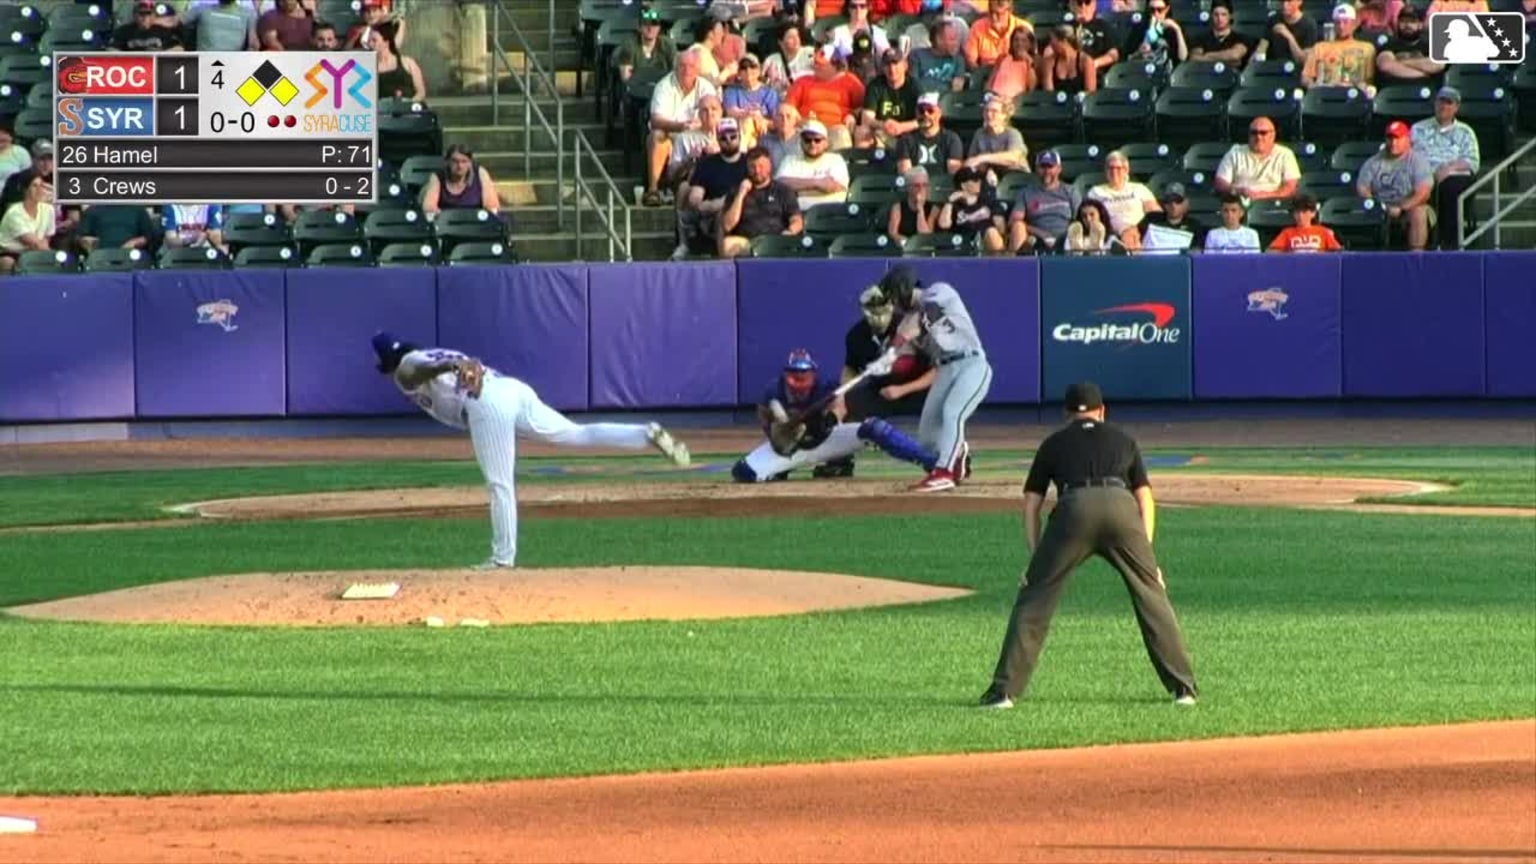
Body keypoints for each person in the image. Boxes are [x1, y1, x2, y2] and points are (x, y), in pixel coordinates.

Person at [371, 333, 691, 570]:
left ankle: (502, 560)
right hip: (512, 390)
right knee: (575, 434)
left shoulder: (405, 366)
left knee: (500, 484)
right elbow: (433, 365)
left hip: (485, 403)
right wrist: (453, 362)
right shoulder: (428, 352)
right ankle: (646, 433)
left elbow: (416, 370)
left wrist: (451, 364)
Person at [978, 380, 1199, 710]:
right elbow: (1145, 498)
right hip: (1121, 508)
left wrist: (1037, 559)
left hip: (1075, 510)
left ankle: (1003, 693)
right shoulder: (1123, 439)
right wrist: (1147, 558)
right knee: (1151, 595)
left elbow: (1031, 504)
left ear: (1067, 415)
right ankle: (1184, 690)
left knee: (1036, 598)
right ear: (1102, 412)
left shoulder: (1054, 443)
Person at [865, 265, 989, 492]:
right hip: (945, 369)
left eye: (893, 295)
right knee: (927, 438)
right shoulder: (905, 323)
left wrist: (898, 342)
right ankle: (958, 454)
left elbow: (926, 314)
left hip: (971, 363)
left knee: (953, 413)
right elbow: (901, 353)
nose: (893, 302)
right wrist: (884, 362)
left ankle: (945, 473)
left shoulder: (939, 290)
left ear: (903, 288)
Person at [730, 349, 937, 482]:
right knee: (744, 472)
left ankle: (931, 462)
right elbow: (764, 416)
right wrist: (776, 437)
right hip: (791, 449)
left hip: (826, 439)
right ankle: (781, 469)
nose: (799, 382)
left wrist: (829, 420)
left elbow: (840, 407)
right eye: (794, 377)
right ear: (786, 376)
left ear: (813, 375)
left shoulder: (825, 388)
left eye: (804, 376)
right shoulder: (773, 392)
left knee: (875, 429)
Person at [644, 47, 719, 207]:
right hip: (671, 133)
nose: (686, 70)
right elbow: (656, 119)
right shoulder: (664, 86)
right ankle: (653, 189)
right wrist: (680, 126)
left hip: (699, 133)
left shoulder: (706, 87)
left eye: (691, 66)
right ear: (675, 67)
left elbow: (716, 112)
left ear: (697, 69)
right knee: (656, 136)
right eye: (682, 66)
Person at [1410, 87, 1480, 251]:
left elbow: (1473, 162)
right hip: (1423, 177)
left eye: (1448, 103)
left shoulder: (1465, 132)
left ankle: (1449, 244)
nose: (1443, 106)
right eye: (1440, 101)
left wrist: (1448, 169)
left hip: (1455, 176)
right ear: (1435, 104)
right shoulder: (1418, 129)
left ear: (1456, 107)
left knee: (1451, 187)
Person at [674, 117, 750, 259]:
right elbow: (696, 196)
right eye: (723, 137)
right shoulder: (707, 163)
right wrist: (699, 202)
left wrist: (723, 203)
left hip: (743, 208)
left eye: (733, 136)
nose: (728, 140)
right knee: (686, 191)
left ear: (740, 136)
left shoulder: (750, 161)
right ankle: (683, 245)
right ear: (717, 138)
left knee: (722, 213)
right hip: (710, 212)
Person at [1357, 120, 1433, 250]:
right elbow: (1362, 188)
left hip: (1409, 206)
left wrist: (1402, 208)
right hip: (1380, 207)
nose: (1393, 143)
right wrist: (1376, 205)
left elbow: (1424, 193)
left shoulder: (1418, 161)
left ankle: (1416, 258)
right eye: (1390, 138)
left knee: (1419, 212)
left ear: (1407, 139)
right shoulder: (1374, 162)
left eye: (1398, 139)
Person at [719, 145, 804, 257]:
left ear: (770, 166)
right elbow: (727, 226)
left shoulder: (783, 190)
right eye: (752, 167)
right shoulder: (736, 191)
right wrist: (741, 194)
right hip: (748, 243)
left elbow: (797, 220)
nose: (757, 171)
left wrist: (789, 232)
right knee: (727, 244)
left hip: (776, 241)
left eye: (761, 166)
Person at [785, 46, 865, 150]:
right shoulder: (802, 82)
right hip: (807, 129)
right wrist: (800, 121)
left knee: (841, 133)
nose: (815, 66)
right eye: (815, 63)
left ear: (835, 65)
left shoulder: (851, 81)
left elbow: (864, 107)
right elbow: (787, 109)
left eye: (820, 64)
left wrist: (853, 115)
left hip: (835, 130)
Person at [1008, 149, 1081, 254]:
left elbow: (1079, 219)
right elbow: (1014, 221)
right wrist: (1041, 234)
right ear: (1036, 169)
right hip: (1036, 239)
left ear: (1059, 169)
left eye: (1050, 167)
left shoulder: (1070, 191)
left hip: (1066, 239)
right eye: (1042, 167)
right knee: (1018, 227)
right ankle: (1016, 268)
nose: (1046, 171)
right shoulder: (1026, 193)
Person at [1214, 117, 1301, 202]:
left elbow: (1290, 188)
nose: (1258, 137)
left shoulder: (1285, 154)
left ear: (1273, 135)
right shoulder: (1234, 153)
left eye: (1263, 133)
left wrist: (1263, 196)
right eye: (1254, 133)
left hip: (1273, 204)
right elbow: (1220, 183)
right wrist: (1238, 191)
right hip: (1240, 202)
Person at [1087, 151, 1160, 250]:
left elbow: (1155, 214)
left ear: (1126, 170)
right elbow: (1090, 219)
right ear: (1105, 170)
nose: (1114, 172)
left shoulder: (1139, 188)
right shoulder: (1096, 192)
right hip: (1109, 237)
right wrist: (1119, 233)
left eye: (1118, 168)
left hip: (1138, 236)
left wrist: (1136, 230)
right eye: (1110, 168)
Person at [774, 119, 850, 210]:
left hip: (832, 212)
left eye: (817, 140)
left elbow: (836, 186)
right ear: (801, 141)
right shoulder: (790, 160)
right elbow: (780, 184)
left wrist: (799, 189)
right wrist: (817, 183)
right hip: (800, 212)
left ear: (826, 143)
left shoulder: (835, 159)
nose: (812, 144)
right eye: (807, 140)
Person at [855, 48, 920, 149]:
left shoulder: (915, 86)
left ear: (905, 65)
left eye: (895, 64)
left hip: (909, 135)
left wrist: (901, 127)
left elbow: (923, 120)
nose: (892, 69)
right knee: (862, 131)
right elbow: (866, 119)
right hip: (883, 133)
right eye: (887, 65)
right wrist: (883, 125)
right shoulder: (875, 86)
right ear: (882, 68)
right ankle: (863, 164)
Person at [1302, 4, 1375, 89]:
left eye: (1345, 22)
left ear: (1354, 24)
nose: (1341, 26)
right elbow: (1306, 77)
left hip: (1354, 93)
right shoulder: (1320, 47)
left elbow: (1369, 80)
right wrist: (1313, 87)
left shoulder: (1367, 48)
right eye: (1338, 22)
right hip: (1327, 93)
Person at [938, 165, 1006, 253]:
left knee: (991, 232)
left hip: (987, 244)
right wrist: (950, 201)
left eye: (979, 179)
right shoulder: (955, 204)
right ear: (963, 185)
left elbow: (1001, 229)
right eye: (974, 180)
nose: (979, 182)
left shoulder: (988, 200)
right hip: (963, 243)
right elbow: (944, 225)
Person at [895, 92, 965, 177]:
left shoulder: (951, 139)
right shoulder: (905, 140)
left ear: (939, 113)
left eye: (930, 110)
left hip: (942, 188)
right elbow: (905, 174)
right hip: (916, 187)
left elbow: (953, 173)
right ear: (916, 113)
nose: (925, 114)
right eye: (921, 110)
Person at [420, 145, 503, 216]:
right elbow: (429, 208)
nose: (459, 166)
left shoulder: (480, 173)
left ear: (470, 163)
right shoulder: (437, 177)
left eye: (464, 161)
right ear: (447, 162)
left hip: (475, 224)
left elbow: (492, 206)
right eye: (455, 161)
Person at [1373, 6, 1442, 89]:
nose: (1407, 25)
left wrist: (1399, 63)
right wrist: (1423, 74)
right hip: (1393, 91)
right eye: (1403, 21)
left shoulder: (1429, 45)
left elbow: (1438, 64)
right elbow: (1386, 65)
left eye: (1412, 22)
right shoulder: (1389, 45)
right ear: (1398, 23)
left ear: (1420, 24)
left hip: (1425, 91)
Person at [0, 169, 54, 273]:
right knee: (8, 262)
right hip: (11, 253)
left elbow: (46, 239)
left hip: (37, 253)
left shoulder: (48, 209)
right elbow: (35, 243)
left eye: (41, 185)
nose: (39, 190)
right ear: (24, 190)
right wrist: (52, 258)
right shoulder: (14, 213)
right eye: (34, 186)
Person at [964, 94, 1028, 181]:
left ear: (1004, 115)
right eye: (986, 111)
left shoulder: (1013, 134)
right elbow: (971, 161)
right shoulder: (979, 133)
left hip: (1016, 177)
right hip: (990, 176)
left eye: (994, 111)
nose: (989, 115)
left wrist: (983, 158)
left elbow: (1013, 158)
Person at [724, 54, 780, 148]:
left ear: (759, 71)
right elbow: (731, 112)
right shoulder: (731, 91)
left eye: (752, 67)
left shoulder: (769, 92)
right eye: (744, 68)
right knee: (747, 122)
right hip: (739, 133)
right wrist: (752, 115)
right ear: (739, 73)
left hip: (764, 133)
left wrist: (763, 121)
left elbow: (776, 121)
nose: (748, 70)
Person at [617, 5, 677, 84]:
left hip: (662, 90)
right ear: (639, 27)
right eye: (646, 24)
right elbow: (626, 79)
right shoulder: (629, 46)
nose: (650, 28)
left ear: (659, 28)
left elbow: (676, 75)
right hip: (636, 91)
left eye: (654, 24)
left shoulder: (668, 45)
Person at [965, 0, 1033, 69]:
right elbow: (971, 60)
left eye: (998, 14)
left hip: (1015, 71)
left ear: (1009, 11)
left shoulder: (1024, 28)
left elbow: (1031, 59)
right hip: (987, 72)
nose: (994, 18)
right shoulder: (977, 27)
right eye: (991, 13)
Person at [1140, 182, 1207, 251]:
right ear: (1164, 204)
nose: (1173, 205)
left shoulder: (1194, 226)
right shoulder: (1151, 219)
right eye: (1169, 201)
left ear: (1186, 203)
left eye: (1178, 201)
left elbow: (1197, 252)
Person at [369, 19, 425, 100]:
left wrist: (407, 105)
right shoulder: (368, 67)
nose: (370, 44)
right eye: (369, 41)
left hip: (408, 108)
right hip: (383, 110)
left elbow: (421, 92)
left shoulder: (408, 63)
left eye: (374, 41)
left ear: (386, 42)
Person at [1267, 193, 1343, 251]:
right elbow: (1271, 252)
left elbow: (1337, 252)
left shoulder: (1323, 232)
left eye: (1304, 212)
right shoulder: (1287, 233)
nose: (1300, 216)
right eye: (1297, 212)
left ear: (1313, 213)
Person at [987, 27, 1039, 103]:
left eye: (1024, 40)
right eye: (1016, 40)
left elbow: (1032, 88)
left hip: (1016, 102)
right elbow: (990, 83)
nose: (1019, 43)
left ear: (1030, 44)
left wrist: (1028, 61)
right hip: (995, 100)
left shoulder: (1035, 61)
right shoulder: (1002, 58)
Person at [887, 165, 936, 246]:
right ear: (908, 187)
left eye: (925, 185)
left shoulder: (933, 209)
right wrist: (904, 241)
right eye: (917, 185)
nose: (921, 189)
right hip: (904, 248)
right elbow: (893, 233)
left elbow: (925, 237)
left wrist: (920, 210)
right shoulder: (897, 208)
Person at [183, 0, 259, 51]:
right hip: (204, 64)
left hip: (235, 65)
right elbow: (175, 21)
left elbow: (253, 44)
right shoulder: (201, 8)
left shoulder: (248, 13)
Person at [763, 22, 815, 93]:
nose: (796, 40)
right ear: (780, 42)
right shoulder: (772, 59)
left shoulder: (809, 52)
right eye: (791, 37)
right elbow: (758, 78)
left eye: (797, 36)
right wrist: (770, 82)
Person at [113, 0, 185, 51]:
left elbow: (179, 48)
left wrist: (160, 56)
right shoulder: (123, 31)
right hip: (132, 67)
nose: (145, 17)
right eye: (141, 14)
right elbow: (111, 50)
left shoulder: (163, 31)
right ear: (134, 15)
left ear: (153, 15)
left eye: (148, 13)